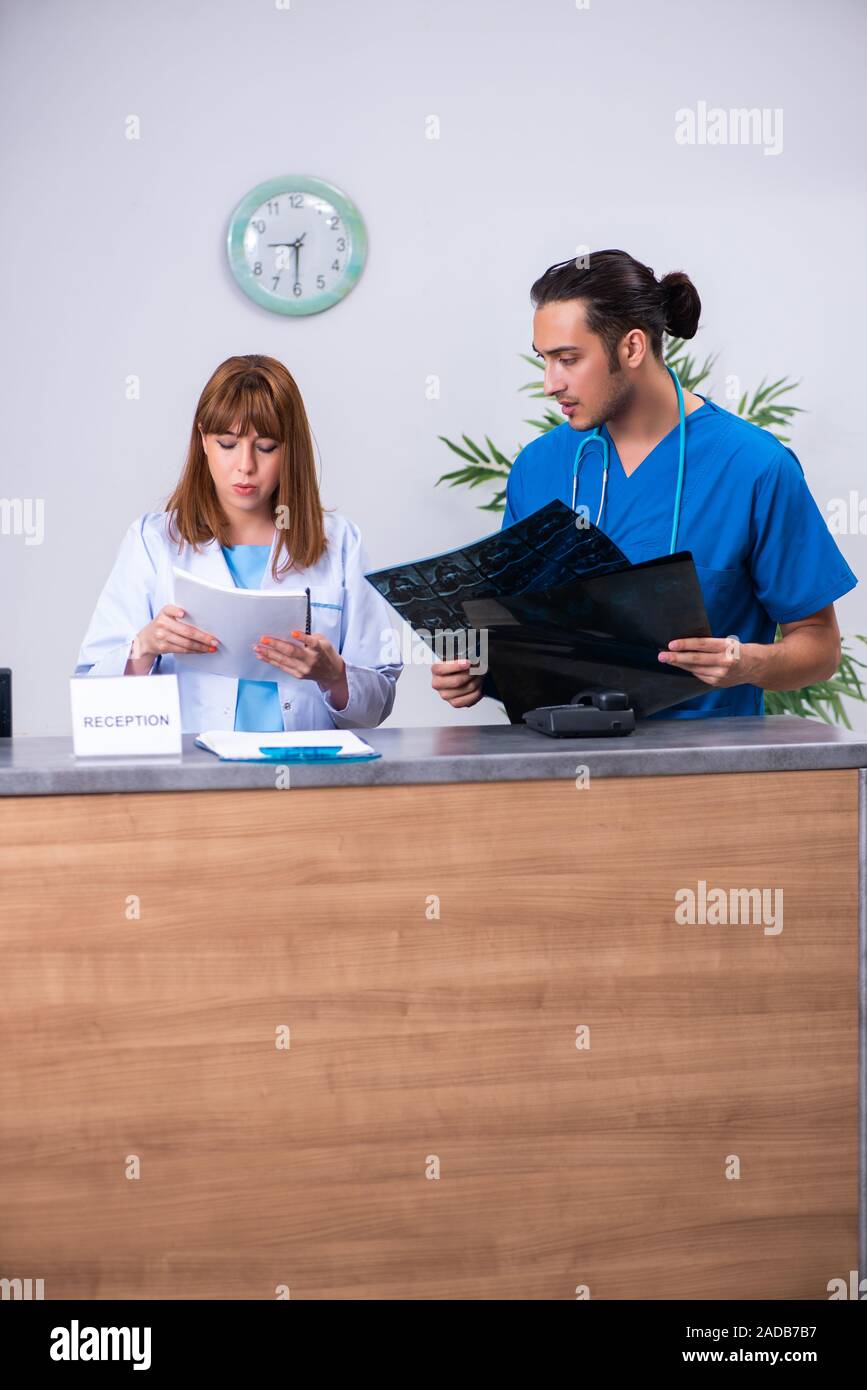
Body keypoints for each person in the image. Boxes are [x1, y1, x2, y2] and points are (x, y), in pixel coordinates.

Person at [432, 249, 857, 719]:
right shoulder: (538, 467)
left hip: (703, 773)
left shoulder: (754, 466)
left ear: (632, 348)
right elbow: (512, 631)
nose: (550, 383)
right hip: (553, 765)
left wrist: (750, 663)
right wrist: (476, 669)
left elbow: (820, 647)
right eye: (544, 360)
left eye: (568, 359)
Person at [75, 354, 401, 733]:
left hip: (308, 774)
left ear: (289, 449)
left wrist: (334, 675)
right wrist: (144, 647)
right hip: (196, 779)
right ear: (203, 442)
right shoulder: (152, 542)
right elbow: (92, 693)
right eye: (227, 443)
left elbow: (378, 704)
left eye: (265, 447)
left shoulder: (340, 543)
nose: (245, 465)